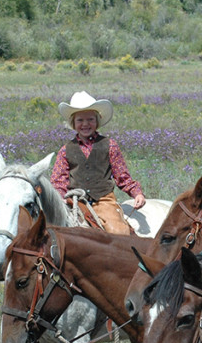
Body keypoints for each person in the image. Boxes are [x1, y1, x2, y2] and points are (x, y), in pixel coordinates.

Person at [50, 91, 146, 235]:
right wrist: (60, 197)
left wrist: (136, 193)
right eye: (80, 120)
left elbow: (122, 176)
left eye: (90, 119)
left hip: (103, 200)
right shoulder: (65, 150)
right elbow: (58, 180)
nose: (85, 124)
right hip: (75, 202)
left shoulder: (110, 145)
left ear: (97, 121)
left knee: (119, 232)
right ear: (73, 123)